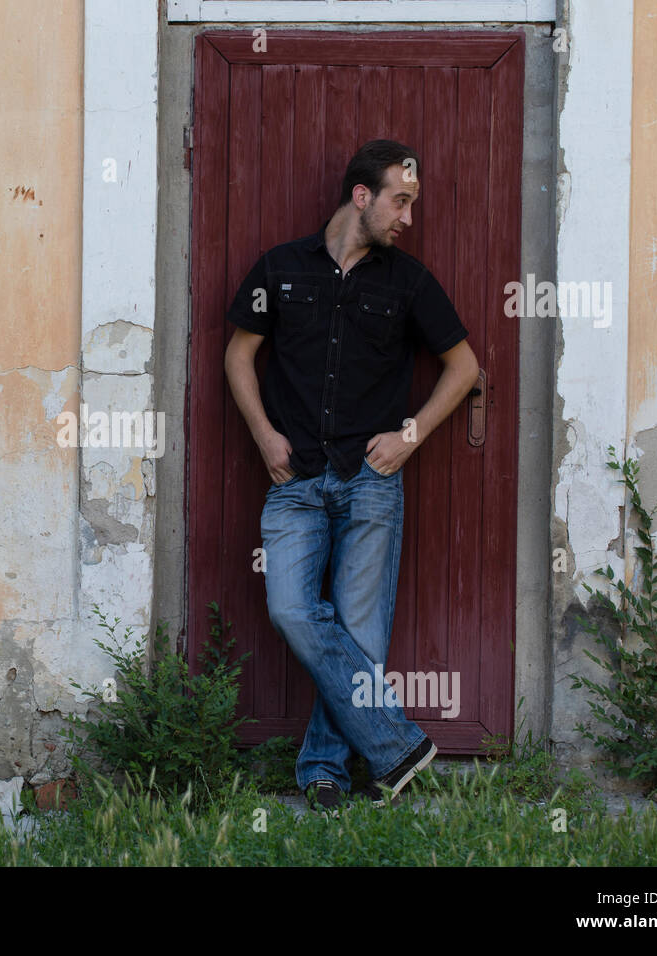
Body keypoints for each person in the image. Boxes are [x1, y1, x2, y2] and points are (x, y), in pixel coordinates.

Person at [223, 139, 480, 816]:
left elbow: (463, 368)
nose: (408, 217)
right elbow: (238, 354)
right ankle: (397, 746)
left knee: (361, 634)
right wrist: (262, 434)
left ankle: (326, 769)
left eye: (413, 204)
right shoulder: (279, 268)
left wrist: (411, 436)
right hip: (295, 482)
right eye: (401, 200)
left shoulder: (409, 282)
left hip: (370, 482)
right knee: (290, 610)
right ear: (361, 195)